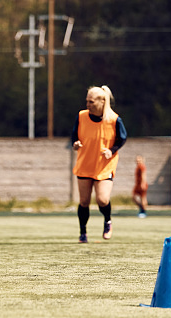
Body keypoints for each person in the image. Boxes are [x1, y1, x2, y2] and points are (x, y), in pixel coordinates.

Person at [71, 85, 127, 243]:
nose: (87, 105)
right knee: (84, 201)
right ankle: (83, 232)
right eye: (87, 101)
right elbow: (74, 135)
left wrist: (112, 150)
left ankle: (107, 221)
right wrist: (75, 143)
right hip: (85, 163)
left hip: (104, 165)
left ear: (102, 102)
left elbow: (122, 139)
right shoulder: (81, 116)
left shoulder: (114, 119)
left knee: (102, 199)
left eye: (91, 102)